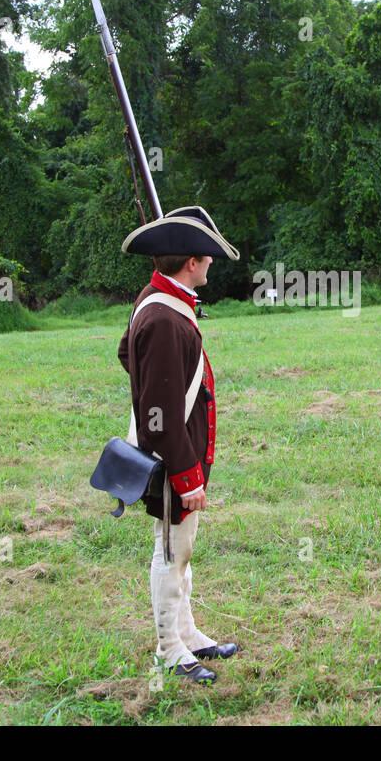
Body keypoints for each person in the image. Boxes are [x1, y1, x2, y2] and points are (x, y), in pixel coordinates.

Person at [117, 205, 241, 683]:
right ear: (191, 261)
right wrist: (186, 477)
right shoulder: (166, 318)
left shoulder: (160, 298)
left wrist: (152, 380)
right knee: (171, 552)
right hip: (174, 458)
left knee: (181, 547)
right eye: (207, 256)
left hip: (178, 450)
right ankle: (169, 648)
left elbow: (128, 352)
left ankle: (188, 635)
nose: (212, 262)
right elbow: (162, 418)